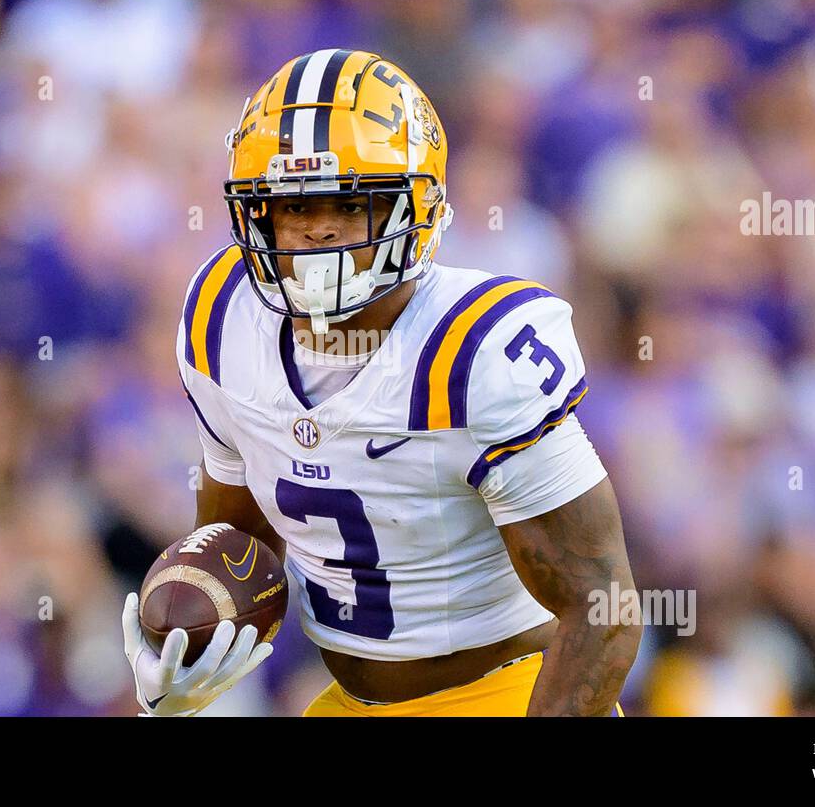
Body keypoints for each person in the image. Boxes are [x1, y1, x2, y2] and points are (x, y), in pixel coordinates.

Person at [123, 49, 639, 716]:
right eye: (290, 204)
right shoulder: (222, 319)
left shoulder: (475, 351)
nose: (317, 228)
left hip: (506, 695)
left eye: (348, 200)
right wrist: (188, 662)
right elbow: (242, 546)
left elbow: (605, 605)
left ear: (414, 209)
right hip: (345, 701)